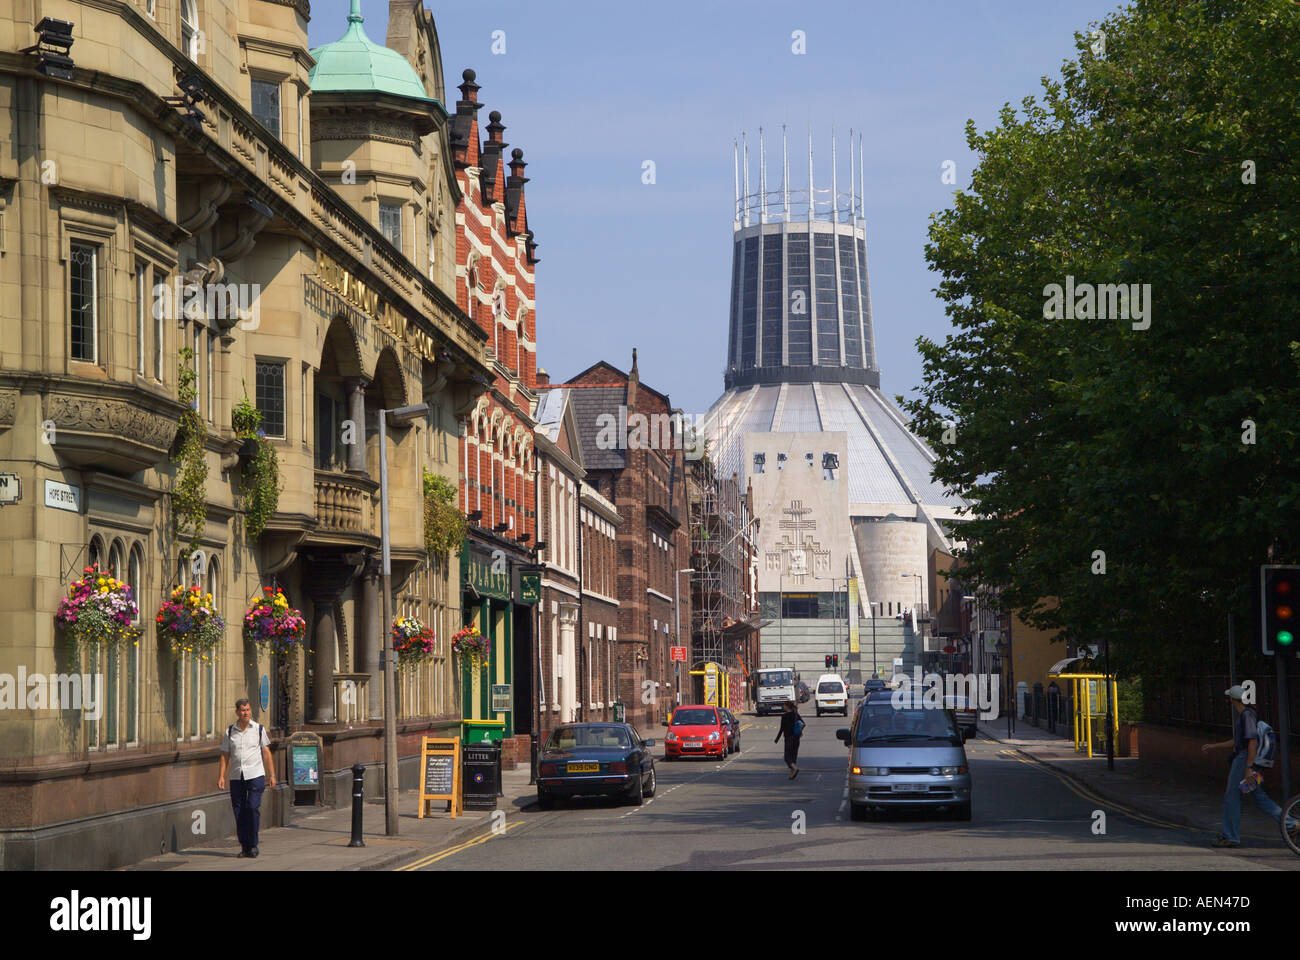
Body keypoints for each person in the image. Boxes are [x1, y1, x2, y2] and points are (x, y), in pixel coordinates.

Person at [1201, 685, 1297, 848]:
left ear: (1232, 699)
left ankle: (1229, 836)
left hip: (1244, 760)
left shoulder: (1246, 716)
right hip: (1246, 758)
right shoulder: (1247, 715)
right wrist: (1214, 746)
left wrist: (1248, 768)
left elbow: (1252, 742)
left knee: (1232, 797)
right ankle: (1290, 823)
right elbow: (1238, 741)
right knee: (1259, 798)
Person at [218, 698, 276, 858]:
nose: (246, 713)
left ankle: (253, 844)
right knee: (239, 811)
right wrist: (221, 776)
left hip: (255, 774)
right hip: (237, 775)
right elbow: (225, 755)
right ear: (237, 712)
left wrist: (272, 774)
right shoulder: (230, 731)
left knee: (252, 807)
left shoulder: (258, 729)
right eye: (243, 710)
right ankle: (245, 846)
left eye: (248, 710)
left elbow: (266, 752)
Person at [774, 701, 805, 779]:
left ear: (787, 706)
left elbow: (782, 729)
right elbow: (803, 724)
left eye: (784, 705)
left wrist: (777, 739)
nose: (783, 706)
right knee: (793, 755)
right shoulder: (795, 714)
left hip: (789, 738)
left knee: (787, 757)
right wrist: (799, 731)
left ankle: (794, 768)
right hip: (796, 738)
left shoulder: (784, 716)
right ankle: (792, 773)